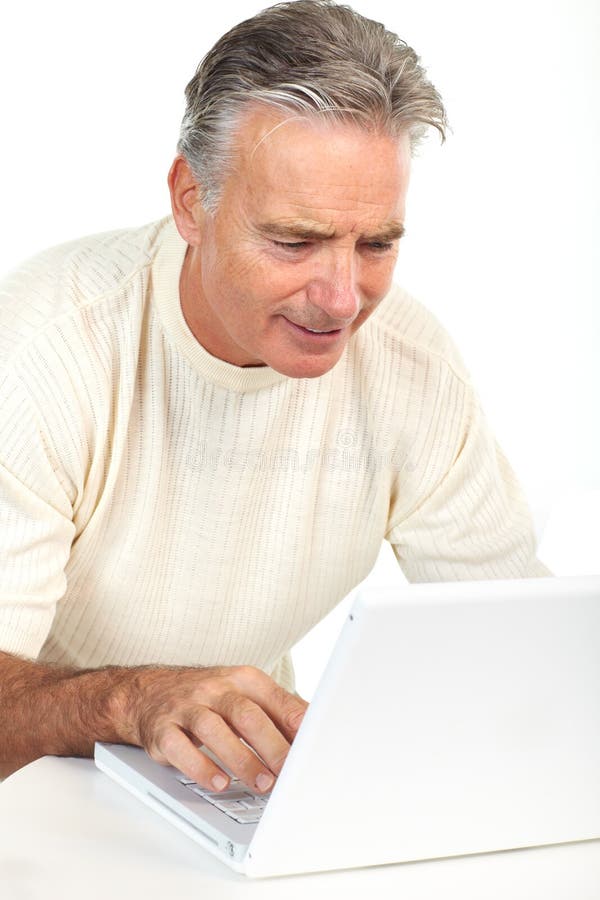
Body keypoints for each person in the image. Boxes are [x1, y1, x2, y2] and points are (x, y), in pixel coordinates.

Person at [0, 0, 551, 788]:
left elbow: (517, 645)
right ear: (193, 201)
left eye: (376, 245)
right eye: (295, 241)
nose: (340, 299)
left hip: (230, 792)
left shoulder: (410, 367)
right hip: (30, 795)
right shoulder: (42, 350)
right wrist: (132, 700)